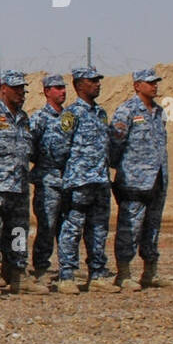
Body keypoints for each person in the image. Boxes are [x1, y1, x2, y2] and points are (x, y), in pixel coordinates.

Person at [0, 70, 46, 295]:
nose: (20, 93)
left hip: (20, 186)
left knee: (18, 232)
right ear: (3, 90)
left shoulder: (24, 119)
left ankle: (17, 273)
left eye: (22, 89)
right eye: (15, 89)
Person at [52, 66, 120, 295]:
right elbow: (58, 148)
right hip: (79, 182)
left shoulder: (100, 113)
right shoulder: (71, 114)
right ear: (80, 85)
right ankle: (67, 275)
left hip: (100, 181)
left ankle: (98, 274)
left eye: (98, 80)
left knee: (99, 229)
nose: (98, 84)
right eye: (92, 81)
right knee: (72, 228)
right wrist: (73, 170)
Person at [109, 68, 173, 291]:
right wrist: (123, 170)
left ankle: (150, 272)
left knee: (152, 227)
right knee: (130, 228)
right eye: (149, 83)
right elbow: (115, 146)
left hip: (156, 179)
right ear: (137, 85)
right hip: (133, 181)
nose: (154, 86)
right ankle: (124, 273)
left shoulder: (159, 112)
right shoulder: (126, 111)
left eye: (155, 82)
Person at [29, 74, 68, 286]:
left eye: (63, 87)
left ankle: (66, 268)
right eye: (57, 88)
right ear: (47, 92)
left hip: (67, 180)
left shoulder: (69, 117)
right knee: (47, 225)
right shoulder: (39, 118)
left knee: (67, 227)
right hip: (47, 181)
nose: (62, 91)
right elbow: (29, 148)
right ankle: (41, 267)